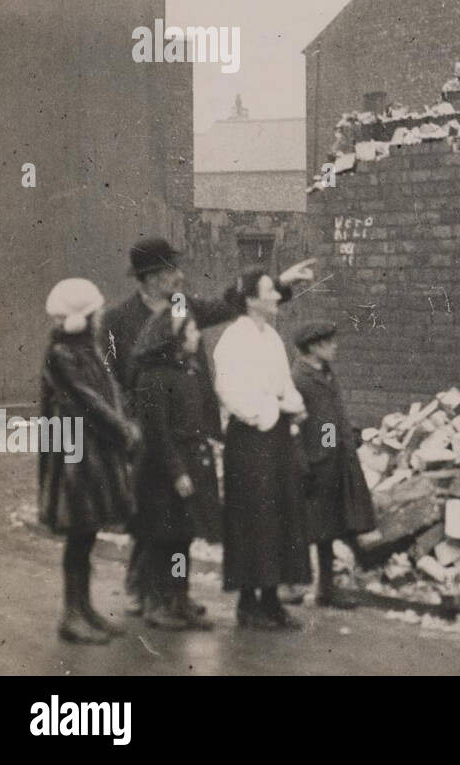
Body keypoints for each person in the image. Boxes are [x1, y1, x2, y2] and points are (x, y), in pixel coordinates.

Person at [100, 237, 314, 615]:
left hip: (190, 430)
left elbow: (231, 303)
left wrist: (278, 284)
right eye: (171, 271)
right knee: (154, 516)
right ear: (150, 277)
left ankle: (176, 594)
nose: (179, 277)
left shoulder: (184, 306)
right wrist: (133, 423)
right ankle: (147, 590)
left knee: (180, 520)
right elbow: (113, 379)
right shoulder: (118, 321)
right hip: (149, 431)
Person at [39, 279, 141, 644]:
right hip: (74, 460)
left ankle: (84, 609)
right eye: (95, 312)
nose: (100, 317)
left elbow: (105, 398)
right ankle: (71, 614)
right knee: (78, 537)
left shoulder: (85, 350)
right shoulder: (62, 356)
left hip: (90, 456)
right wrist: (124, 431)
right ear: (81, 316)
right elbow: (88, 403)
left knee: (86, 536)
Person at [214, 270, 312, 629]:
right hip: (250, 438)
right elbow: (229, 390)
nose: (277, 296)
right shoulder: (232, 339)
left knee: (281, 515)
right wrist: (265, 413)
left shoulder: (271, 337)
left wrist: (294, 404)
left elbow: (283, 383)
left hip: (277, 438)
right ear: (252, 300)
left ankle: (271, 599)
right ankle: (247, 602)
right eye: (270, 291)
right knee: (252, 517)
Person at [129, 312, 222, 631]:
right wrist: (178, 472)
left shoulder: (188, 371)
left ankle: (179, 597)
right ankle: (156, 602)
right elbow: (157, 433)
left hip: (189, 464)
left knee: (182, 537)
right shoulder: (153, 377)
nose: (198, 335)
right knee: (161, 540)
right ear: (175, 336)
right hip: (161, 472)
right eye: (192, 329)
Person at [291, 322, 376, 609]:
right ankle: (290, 585)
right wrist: (304, 462)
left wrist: (348, 433)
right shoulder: (299, 379)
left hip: (335, 461)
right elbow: (296, 426)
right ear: (314, 347)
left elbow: (332, 414)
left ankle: (326, 589)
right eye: (329, 342)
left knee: (330, 526)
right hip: (315, 463)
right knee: (310, 526)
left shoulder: (326, 374)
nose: (335, 346)